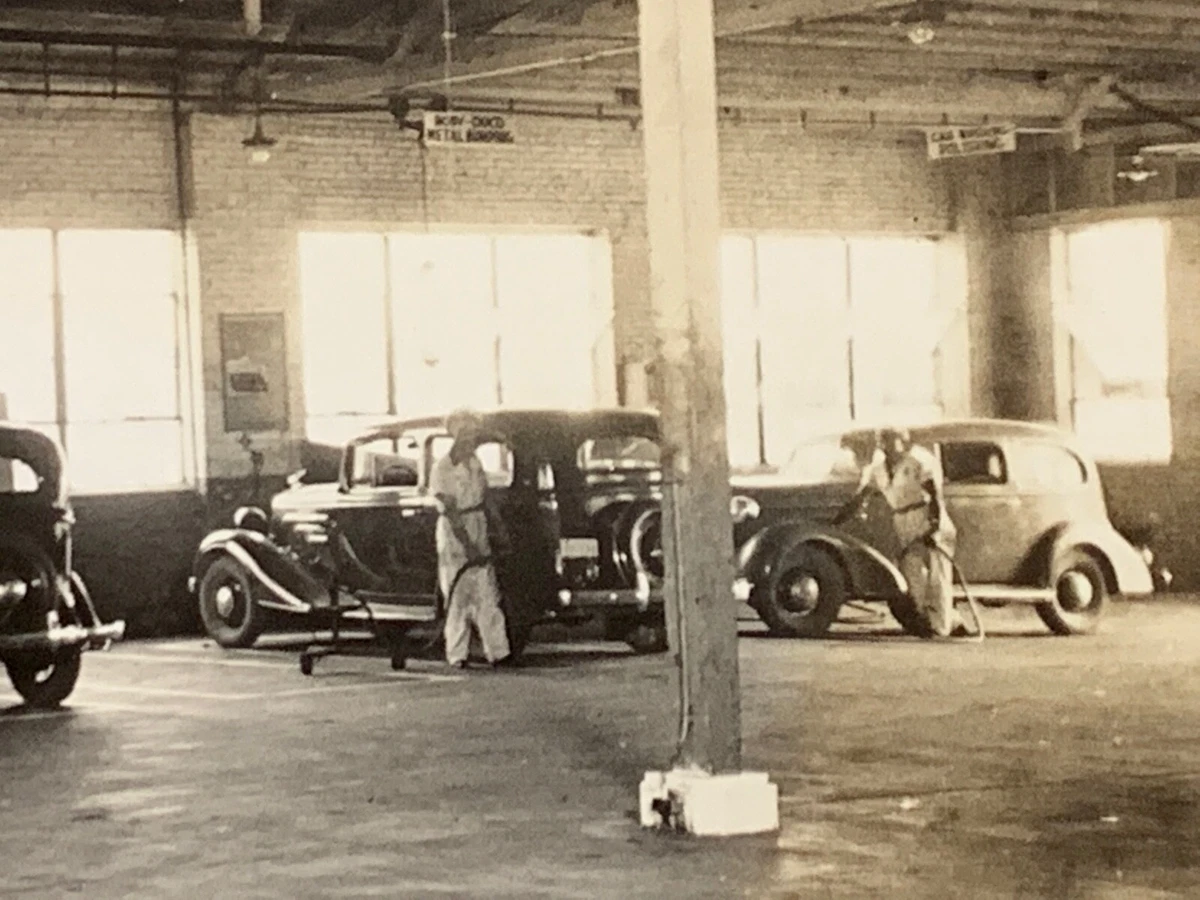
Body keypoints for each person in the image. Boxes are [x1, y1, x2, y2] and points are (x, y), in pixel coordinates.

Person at [854, 427, 965, 639]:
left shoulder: (919, 460)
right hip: (902, 522)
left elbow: (934, 495)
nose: (886, 446)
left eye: (891, 440)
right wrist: (838, 520)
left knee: (937, 577)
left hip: (926, 517)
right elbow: (862, 496)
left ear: (903, 441)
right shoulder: (878, 469)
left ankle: (941, 626)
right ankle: (946, 621)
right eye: (883, 441)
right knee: (913, 578)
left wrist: (934, 525)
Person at [428, 408, 512, 669]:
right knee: (457, 595)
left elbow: (486, 499)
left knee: (487, 592)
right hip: (455, 531)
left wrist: (497, 529)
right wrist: (468, 546)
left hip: (478, 524)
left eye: (473, 434)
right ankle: (457, 654)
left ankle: (498, 651)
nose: (470, 439)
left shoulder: (475, 464)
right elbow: (451, 512)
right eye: (465, 433)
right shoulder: (442, 468)